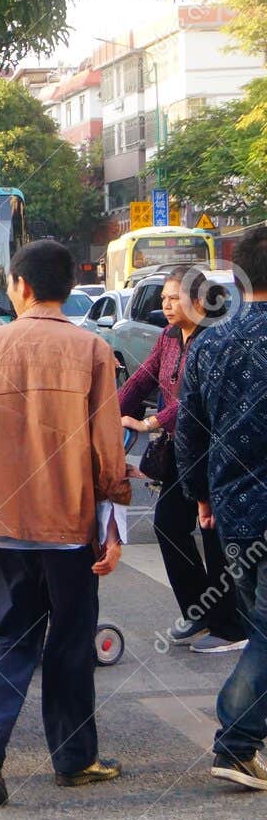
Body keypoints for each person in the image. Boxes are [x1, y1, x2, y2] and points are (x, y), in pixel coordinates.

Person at [0, 240, 130, 807]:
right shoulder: (93, 350)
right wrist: (114, 521)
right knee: (71, 642)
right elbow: (107, 446)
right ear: (67, 287)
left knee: (6, 634)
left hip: (3, 521)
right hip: (69, 525)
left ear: (21, 286)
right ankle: (75, 759)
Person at [177, 224, 267, 790]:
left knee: (261, 620)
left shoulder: (210, 341)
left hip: (234, 511)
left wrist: (203, 499)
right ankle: (235, 743)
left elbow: (189, 434)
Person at [121, 270, 243, 653]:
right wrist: (107, 414)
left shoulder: (215, 340)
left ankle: (231, 626)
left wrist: (150, 421)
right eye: (163, 299)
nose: (166, 306)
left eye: (174, 298)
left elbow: (194, 400)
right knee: (169, 525)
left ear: (201, 300)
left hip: (213, 449)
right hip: (179, 449)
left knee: (212, 534)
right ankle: (198, 611)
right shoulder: (168, 337)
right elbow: (141, 379)